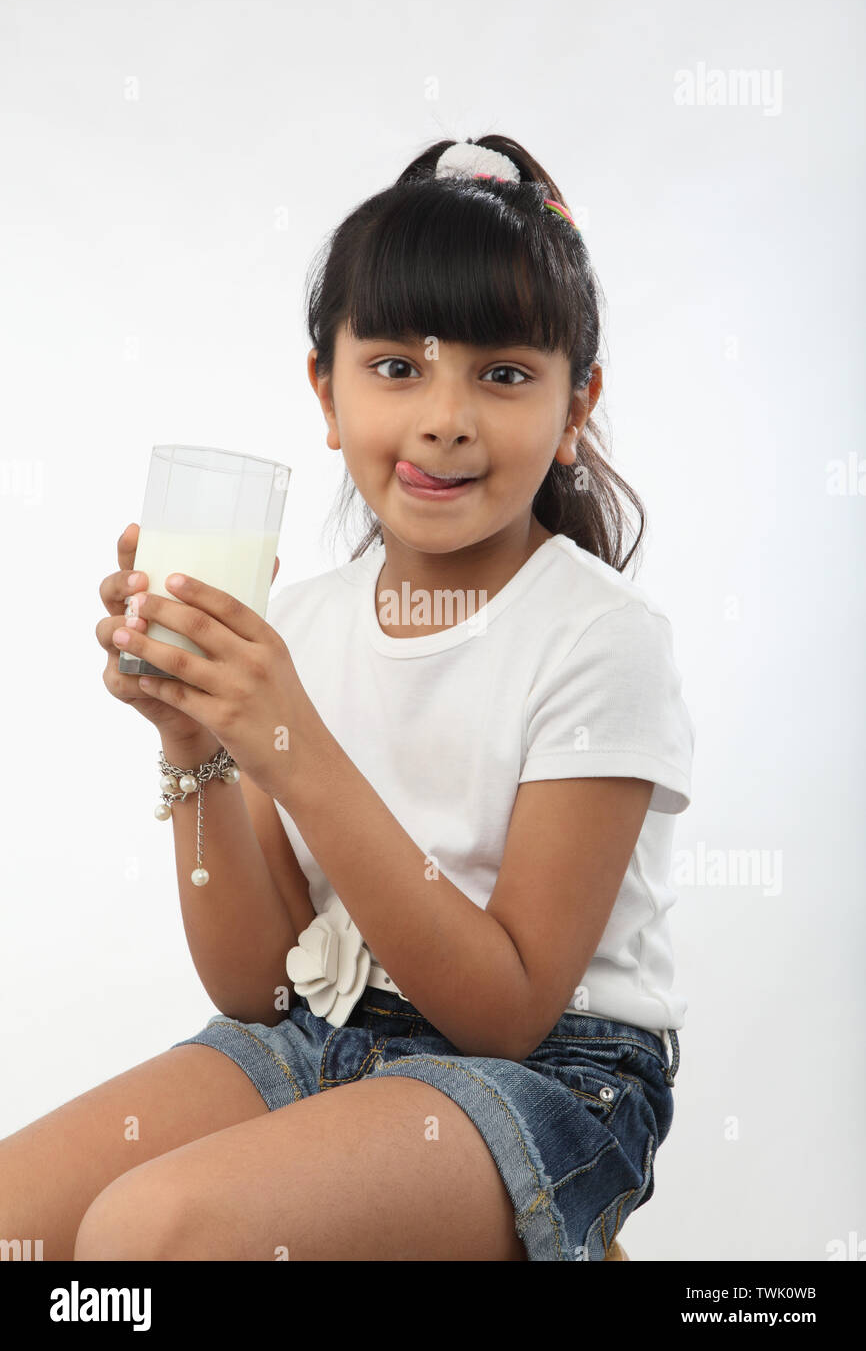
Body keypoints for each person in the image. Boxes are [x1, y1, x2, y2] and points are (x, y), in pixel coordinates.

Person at [0, 134, 694, 1263]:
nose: (443, 417)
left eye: (504, 373)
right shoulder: (307, 622)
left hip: (551, 1071)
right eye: (396, 367)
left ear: (577, 408)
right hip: (328, 1034)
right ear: (325, 389)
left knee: (145, 1234)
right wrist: (196, 738)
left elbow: (506, 1008)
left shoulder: (597, 638)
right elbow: (259, 987)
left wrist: (287, 737)